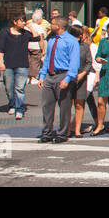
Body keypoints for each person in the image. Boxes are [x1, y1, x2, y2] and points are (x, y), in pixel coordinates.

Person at [37, 16, 79, 144]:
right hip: (50, 75)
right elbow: (48, 58)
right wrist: (42, 75)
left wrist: (68, 78)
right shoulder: (52, 40)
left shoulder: (71, 41)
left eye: (53, 24)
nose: (51, 25)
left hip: (63, 74)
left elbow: (74, 62)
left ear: (59, 26)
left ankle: (62, 133)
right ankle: (47, 133)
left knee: (64, 106)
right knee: (47, 106)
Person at [0, 13, 31, 120]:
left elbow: (36, 38)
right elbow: (0, 49)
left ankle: (19, 109)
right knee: (9, 88)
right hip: (8, 64)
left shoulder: (26, 33)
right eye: (21, 21)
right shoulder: (5, 32)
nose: (24, 23)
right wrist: (1, 63)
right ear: (15, 21)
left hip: (22, 64)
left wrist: (30, 27)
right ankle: (12, 104)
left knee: (20, 88)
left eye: (24, 21)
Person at [69, 25, 96, 137]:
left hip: (82, 77)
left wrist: (83, 74)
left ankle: (77, 129)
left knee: (79, 104)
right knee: (68, 105)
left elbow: (89, 62)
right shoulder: (67, 45)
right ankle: (67, 128)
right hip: (69, 77)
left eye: (79, 35)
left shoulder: (84, 46)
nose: (79, 38)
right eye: (76, 35)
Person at [26, 8, 48, 84]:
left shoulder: (27, 26)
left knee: (28, 62)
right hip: (36, 47)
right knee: (35, 62)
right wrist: (43, 50)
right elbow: (40, 40)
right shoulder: (39, 27)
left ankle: (27, 77)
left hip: (27, 46)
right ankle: (33, 77)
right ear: (38, 20)